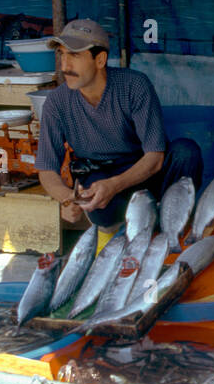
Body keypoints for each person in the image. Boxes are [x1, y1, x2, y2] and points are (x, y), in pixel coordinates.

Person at [35, 19, 202, 231]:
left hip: (143, 170)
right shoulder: (57, 102)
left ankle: (173, 221)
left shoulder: (134, 86)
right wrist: (67, 199)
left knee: (186, 152)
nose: (65, 66)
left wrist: (115, 185)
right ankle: (141, 222)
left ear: (100, 59)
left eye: (75, 55)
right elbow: (47, 169)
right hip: (99, 176)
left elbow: (155, 157)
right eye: (62, 54)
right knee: (98, 210)